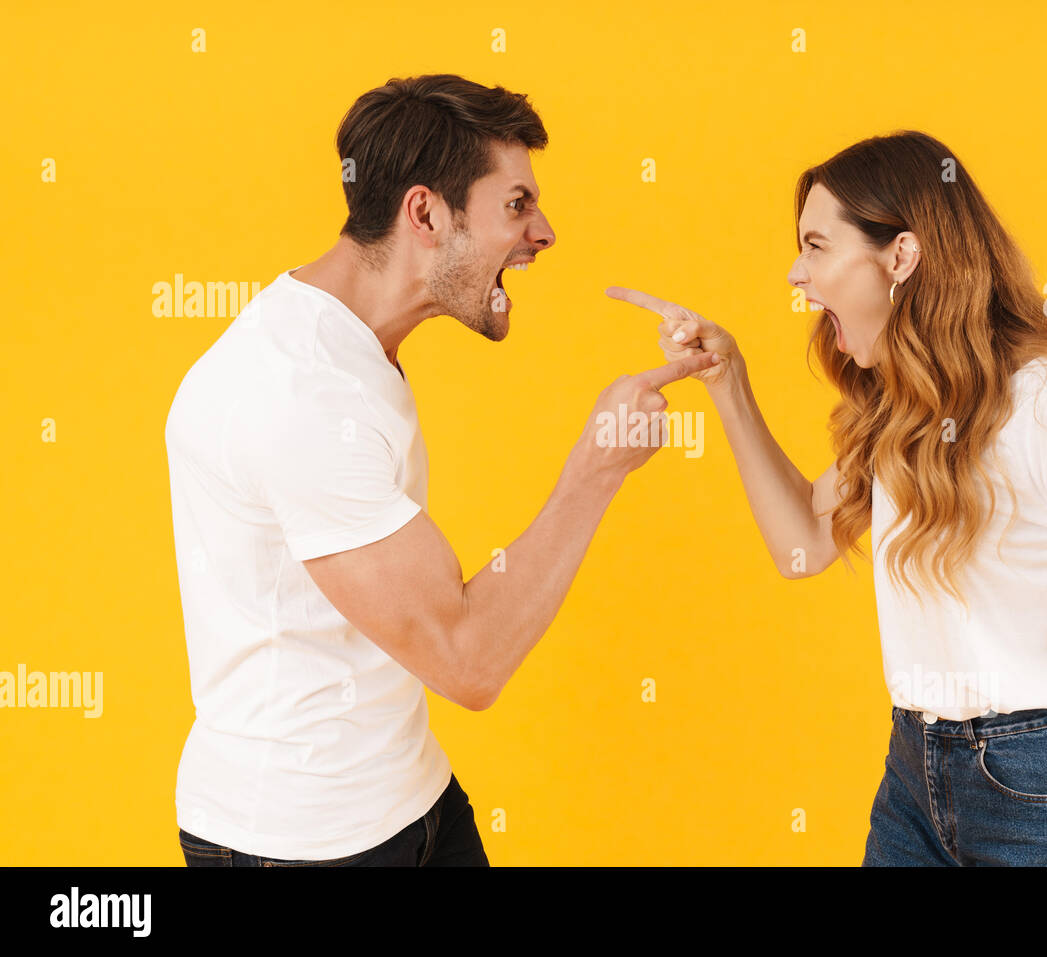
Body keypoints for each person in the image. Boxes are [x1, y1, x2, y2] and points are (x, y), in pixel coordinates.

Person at [164, 74, 716, 867]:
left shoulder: (352, 342)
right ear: (425, 213)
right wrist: (598, 466)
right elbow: (468, 657)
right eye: (517, 205)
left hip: (412, 798)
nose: (545, 232)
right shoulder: (298, 393)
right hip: (300, 843)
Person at [607, 129, 1047, 866]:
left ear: (901, 256)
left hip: (1045, 789)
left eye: (816, 246)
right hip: (915, 773)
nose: (795, 272)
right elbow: (802, 547)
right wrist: (728, 381)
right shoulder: (901, 405)